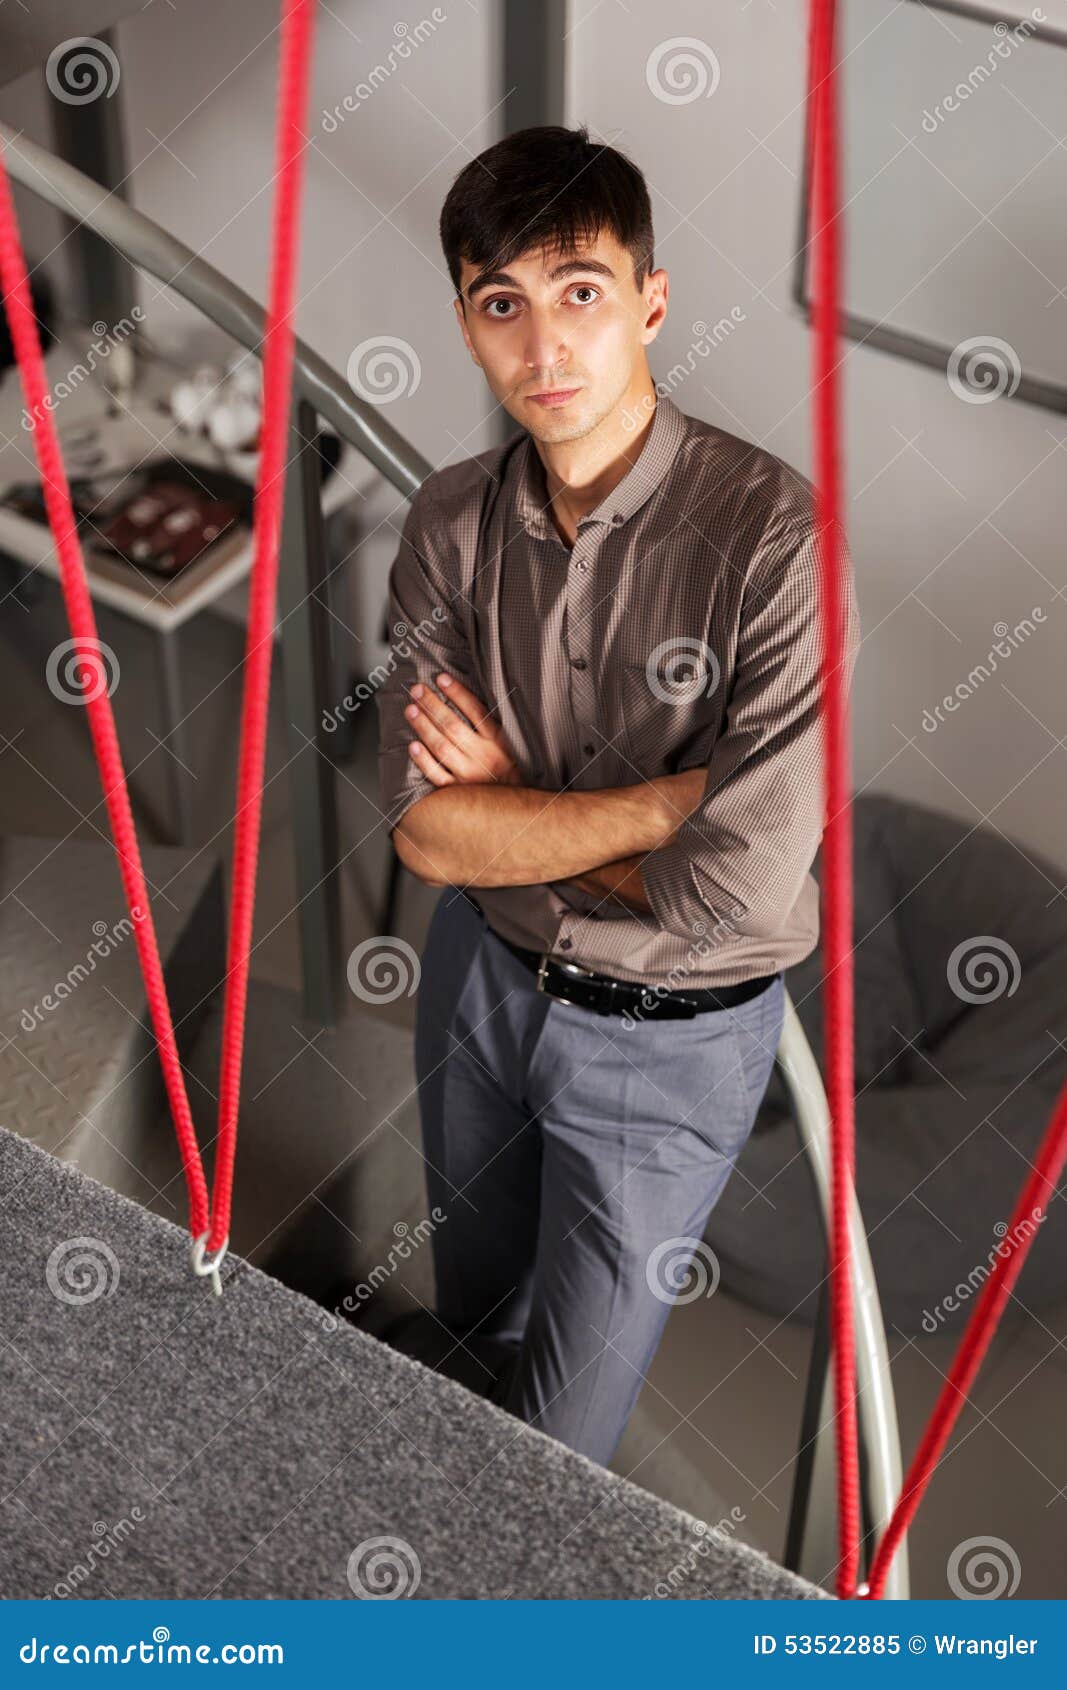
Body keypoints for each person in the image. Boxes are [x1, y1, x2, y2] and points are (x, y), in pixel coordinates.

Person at [374, 124, 861, 1467]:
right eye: (501, 305)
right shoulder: (447, 524)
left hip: (671, 1038)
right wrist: (666, 805)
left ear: (650, 301)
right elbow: (427, 836)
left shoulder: (775, 542)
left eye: (579, 292)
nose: (544, 348)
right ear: (466, 327)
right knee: (471, 1332)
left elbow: (731, 899)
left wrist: (511, 814)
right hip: (479, 985)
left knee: (559, 1443)